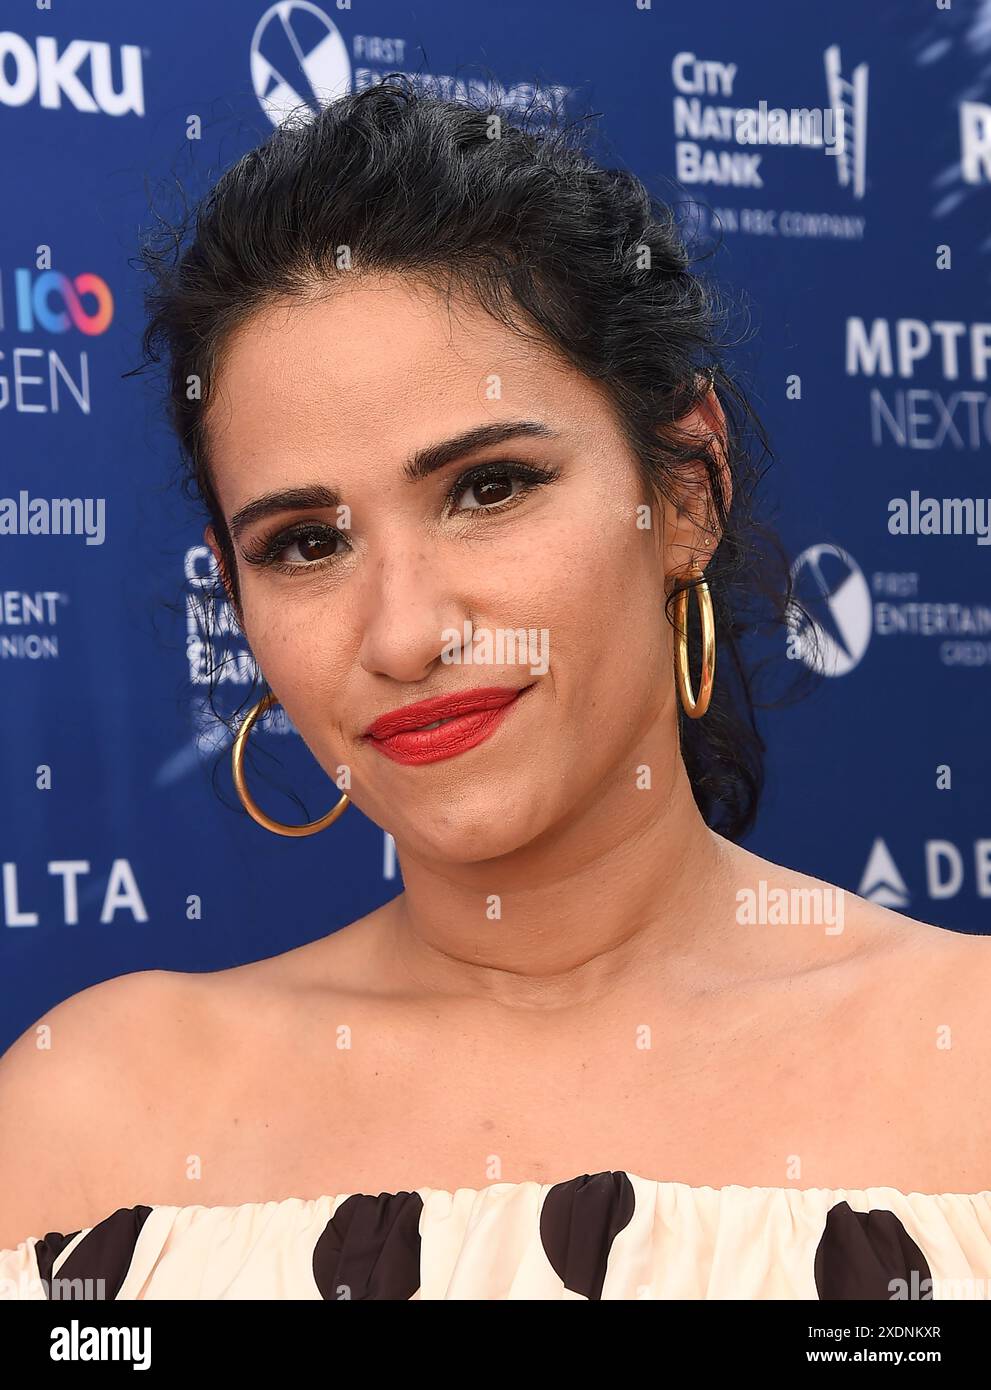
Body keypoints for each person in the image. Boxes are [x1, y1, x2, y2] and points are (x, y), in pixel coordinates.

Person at [1, 78, 988, 1302]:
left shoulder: (968, 1059)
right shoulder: (88, 1113)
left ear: (684, 491)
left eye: (488, 488)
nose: (406, 634)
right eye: (305, 543)